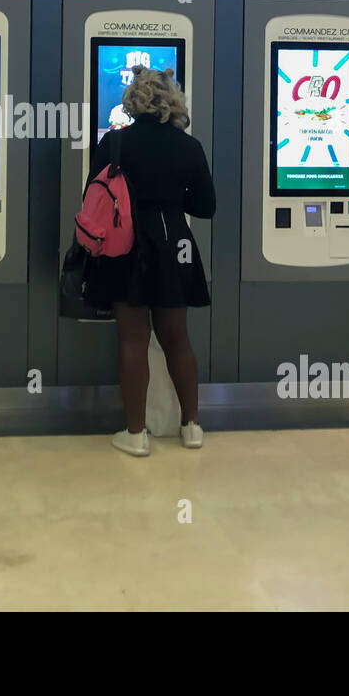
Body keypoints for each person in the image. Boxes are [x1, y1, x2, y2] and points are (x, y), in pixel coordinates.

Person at [83, 66, 216, 458]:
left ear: (132, 101)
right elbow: (207, 207)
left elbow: (94, 196)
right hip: (175, 243)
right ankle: (191, 426)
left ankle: (136, 433)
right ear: (171, 100)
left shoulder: (115, 143)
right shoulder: (188, 146)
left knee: (133, 341)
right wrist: (174, 202)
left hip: (127, 245)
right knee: (177, 339)